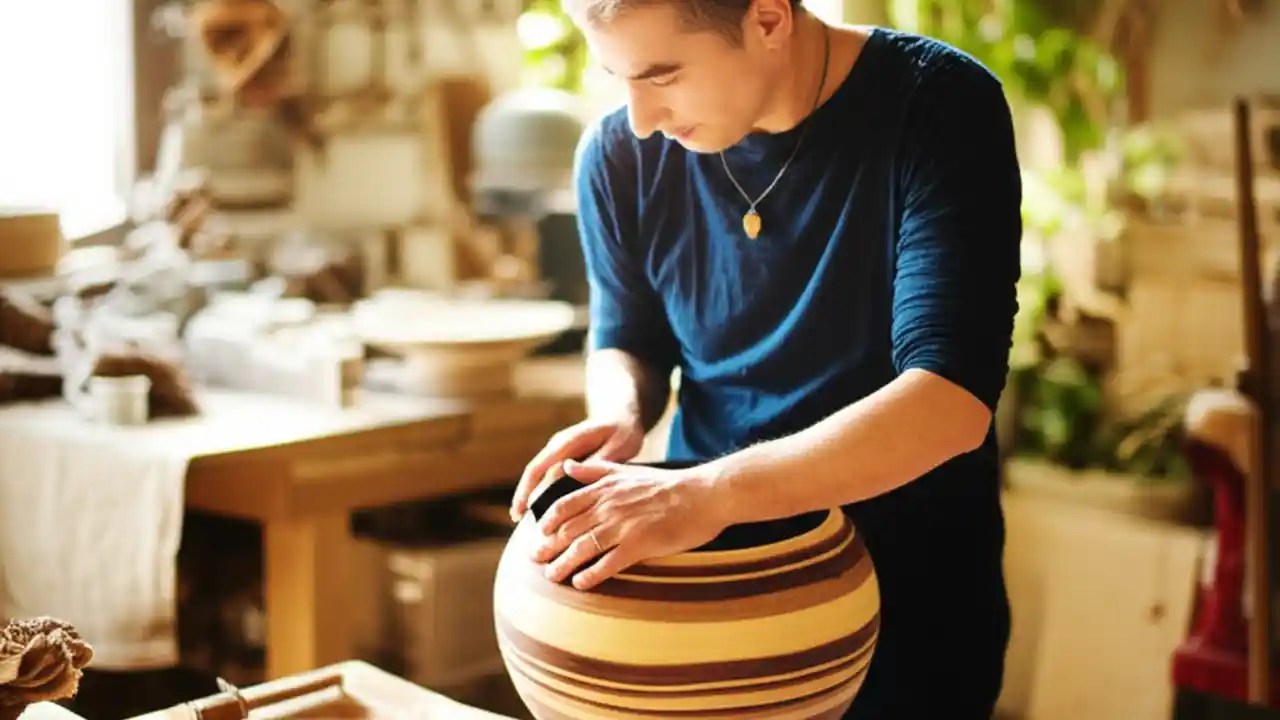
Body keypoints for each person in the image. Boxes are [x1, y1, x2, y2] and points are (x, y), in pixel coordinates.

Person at [508, 0, 1023, 717]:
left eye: (663, 76)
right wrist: (622, 412)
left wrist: (708, 495)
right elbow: (628, 337)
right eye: (618, 78)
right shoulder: (619, 155)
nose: (641, 118)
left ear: (770, 19)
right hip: (706, 601)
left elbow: (948, 403)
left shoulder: (939, 106)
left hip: (905, 612)